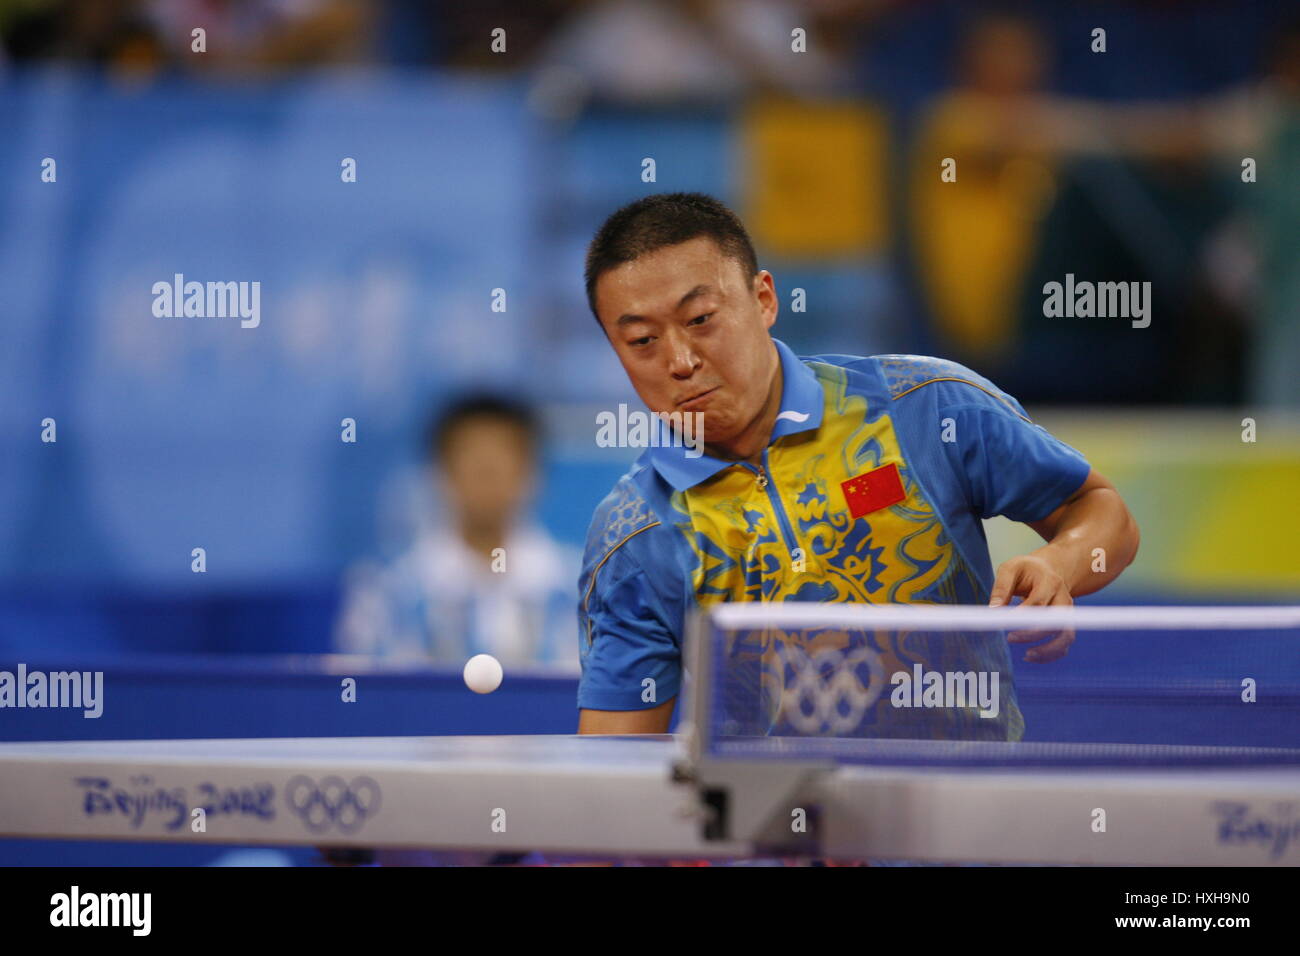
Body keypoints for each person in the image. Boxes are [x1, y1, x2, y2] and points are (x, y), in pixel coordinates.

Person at [576, 192, 1139, 735]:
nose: (679, 361)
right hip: (774, 822)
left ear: (764, 299)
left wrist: (1060, 564)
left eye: (700, 319)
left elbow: (1099, 509)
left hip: (969, 807)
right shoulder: (634, 535)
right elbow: (615, 756)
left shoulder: (925, 404)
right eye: (643, 340)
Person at [335, 394, 578, 668]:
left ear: (534, 472)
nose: (487, 472)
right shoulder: (384, 590)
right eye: (470, 456)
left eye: (505, 455)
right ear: (439, 471)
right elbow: (369, 695)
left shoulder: (583, 589)